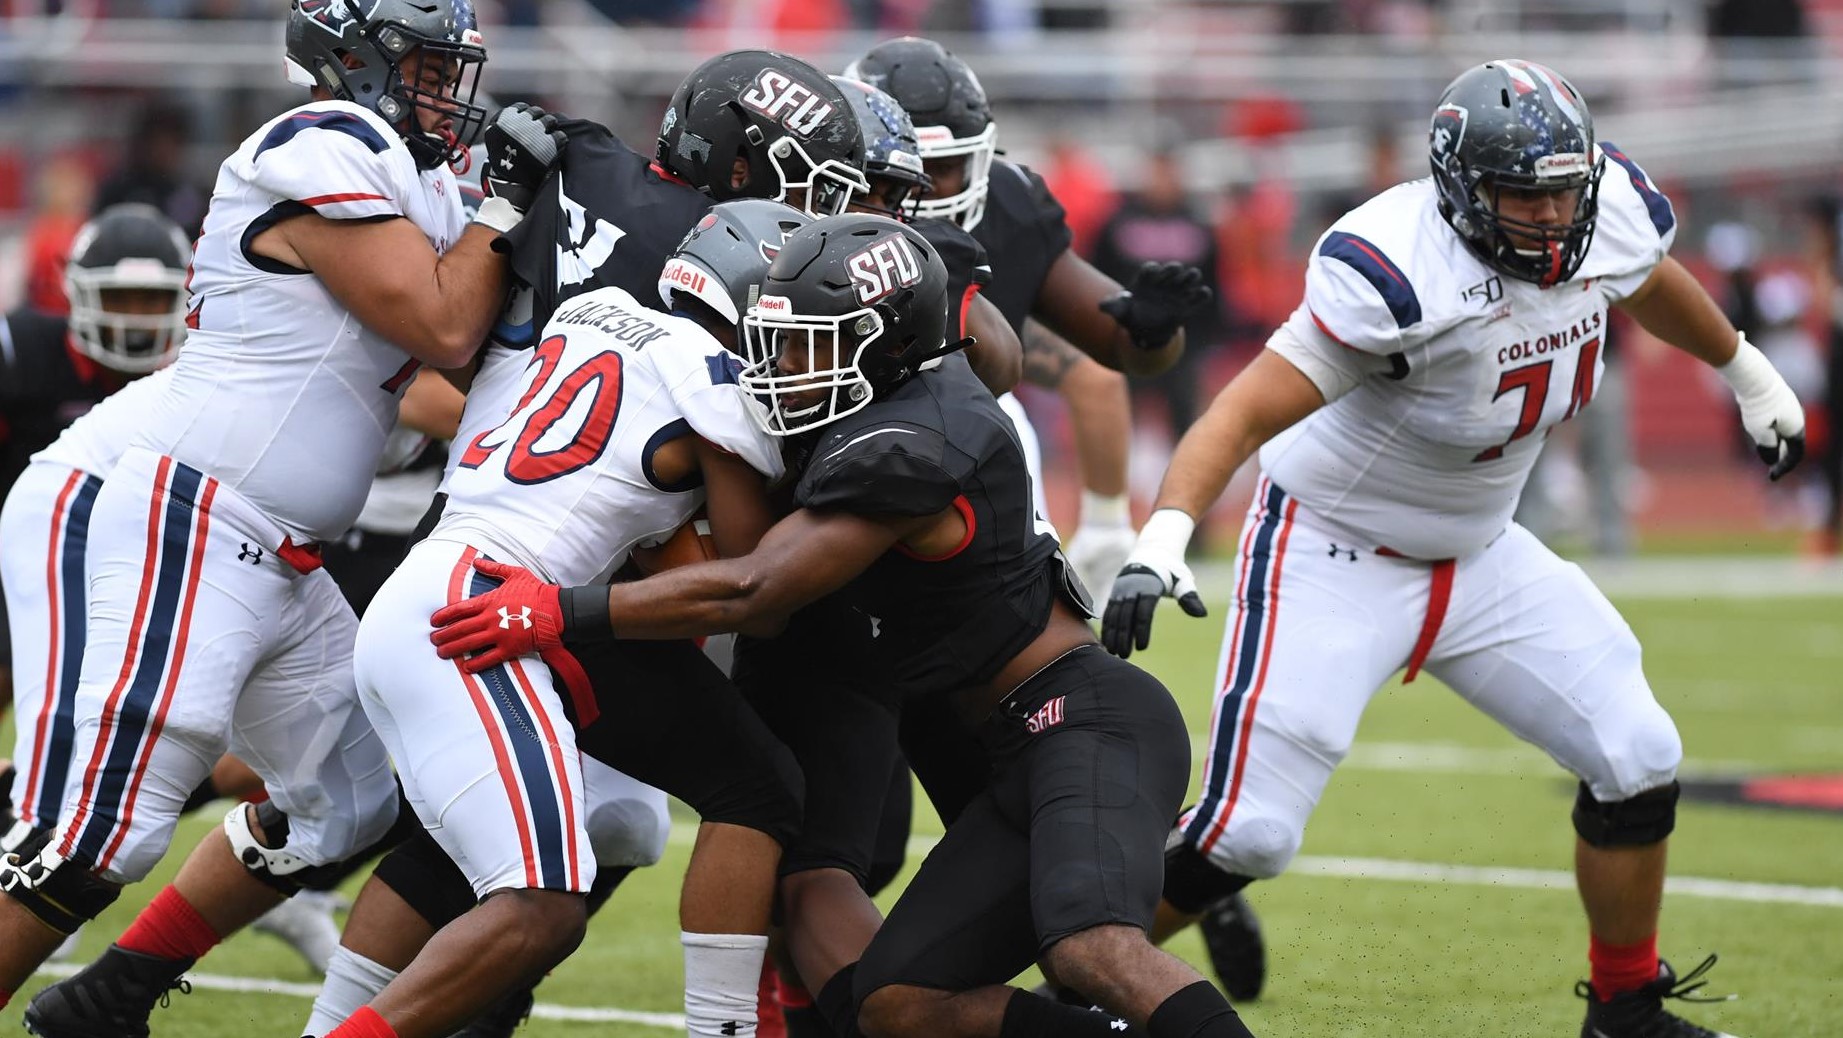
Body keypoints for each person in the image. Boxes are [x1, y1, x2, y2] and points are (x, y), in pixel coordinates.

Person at [430, 213, 1257, 1038]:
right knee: (902, 1005)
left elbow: (753, 590)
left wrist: (558, 610)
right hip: (1000, 747)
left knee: (1090, 949)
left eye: (808, 345)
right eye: (780, 342)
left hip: (1076, 719)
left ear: (886, 343)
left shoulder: (915, 440)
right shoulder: (880, 409)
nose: (784, 367)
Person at [1103, 60, 1800, 1038]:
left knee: (1637, 752)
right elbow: (1243, 411)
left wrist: (1748, 372)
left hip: (1482, 553)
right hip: (1332, 550)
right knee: (1247, 834)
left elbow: (1647, 278)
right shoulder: (1397, 269)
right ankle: (1070, 983)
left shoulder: (1607, 220)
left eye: (1566, 189)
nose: (1554, 216)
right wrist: (1165, 536)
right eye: (1525, 193)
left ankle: (1624, 1009)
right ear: (1462, 189)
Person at [0, 0, 565, 1032]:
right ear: (352, 58)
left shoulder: (416, 174)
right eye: (428, 68)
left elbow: (483, 343)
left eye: (453, 71)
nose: (447, 92)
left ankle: (105, 999)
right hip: (197, 508)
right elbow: (442, 324)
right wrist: (505, 211)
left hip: (277, 547)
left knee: (346, 805)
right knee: (91, 832)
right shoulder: (316, 144)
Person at [845, 36, 1213, 602]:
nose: (923, 191)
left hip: (963, 451)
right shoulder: (812, 209)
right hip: (837, 442)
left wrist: (1153, 329)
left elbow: (1120, 347)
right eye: (903, 172)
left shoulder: (1009, 204)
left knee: (1005, 418)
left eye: (944, 168)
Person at [1089, 148, 1227, 446]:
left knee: (1184, 421)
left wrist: (1208, 338)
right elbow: (1096, 274)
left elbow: (1214, 283)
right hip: (1125, 339)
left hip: (1184, 342)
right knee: (1120, 418)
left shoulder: (1198, 223)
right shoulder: (1118, 222)